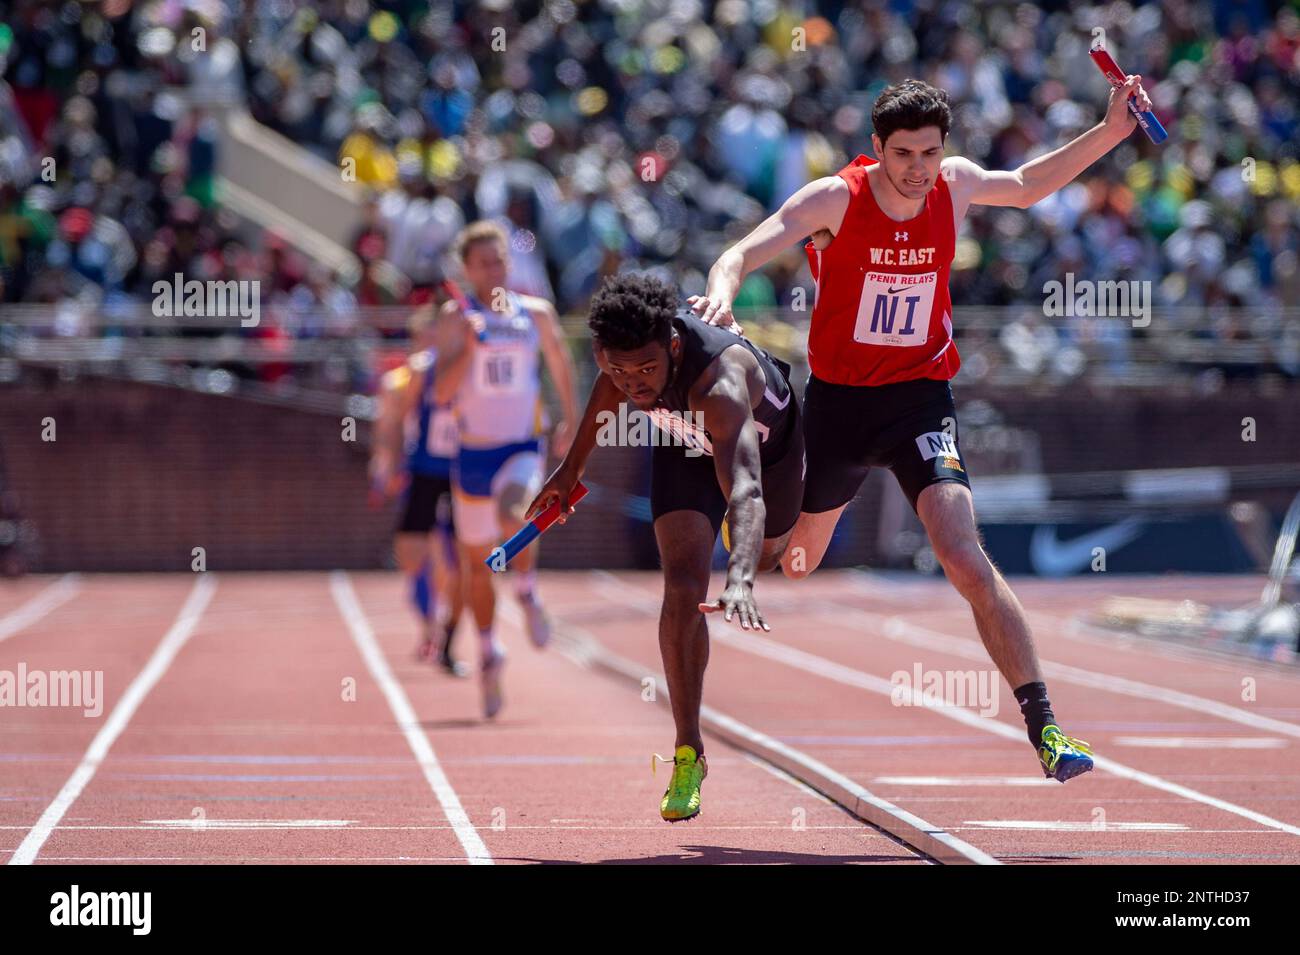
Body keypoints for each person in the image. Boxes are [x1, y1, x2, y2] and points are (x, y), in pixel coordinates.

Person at [687, 76, 1157, 783]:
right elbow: (740, 253)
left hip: (919, 399)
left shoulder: (956, 185)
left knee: (963, 554)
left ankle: (1047, 728)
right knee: (795, 560)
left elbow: (1028, 184)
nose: (917, 169)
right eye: (902, 153)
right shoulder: (835, 199)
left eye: (929, 153)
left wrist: (1113, 130)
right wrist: (721, 297)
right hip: (841, 407)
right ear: (876, 149)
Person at [529, 273, 805, 821]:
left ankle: (810, 508)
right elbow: (607, 391)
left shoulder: (719, 383)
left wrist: (742, 577)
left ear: (674, 345)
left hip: (763, 456)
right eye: (620, 368)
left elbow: (746, 489)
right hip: (685, 443)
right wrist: (568, 471)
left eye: (647, 370)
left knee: (778, 558)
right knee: (681, 585)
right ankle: (688, 750)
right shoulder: (623, 366)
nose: (634, 384)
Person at [432, 221, 579, 718]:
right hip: (473, 452)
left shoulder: (534, 314)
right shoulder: (456, 318)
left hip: (521, 444)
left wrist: (574, 419)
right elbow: (441, 392)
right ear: (466, 269)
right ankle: (490, 650)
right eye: (483, 263)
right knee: (477, 566)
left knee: (514, 511)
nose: (494, 269)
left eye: (499, 260)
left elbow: (560, 362)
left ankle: (528, 591)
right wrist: (470, 348)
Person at [369, 304, 466, 675]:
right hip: (420, 471)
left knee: (451, 558)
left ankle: (444, 629)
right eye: (423, 336)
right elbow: (389, 424)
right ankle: (428, 619)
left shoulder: (464, 366)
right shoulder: (405, 377)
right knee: (414, 554)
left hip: (458, 474)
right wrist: (386, 466)